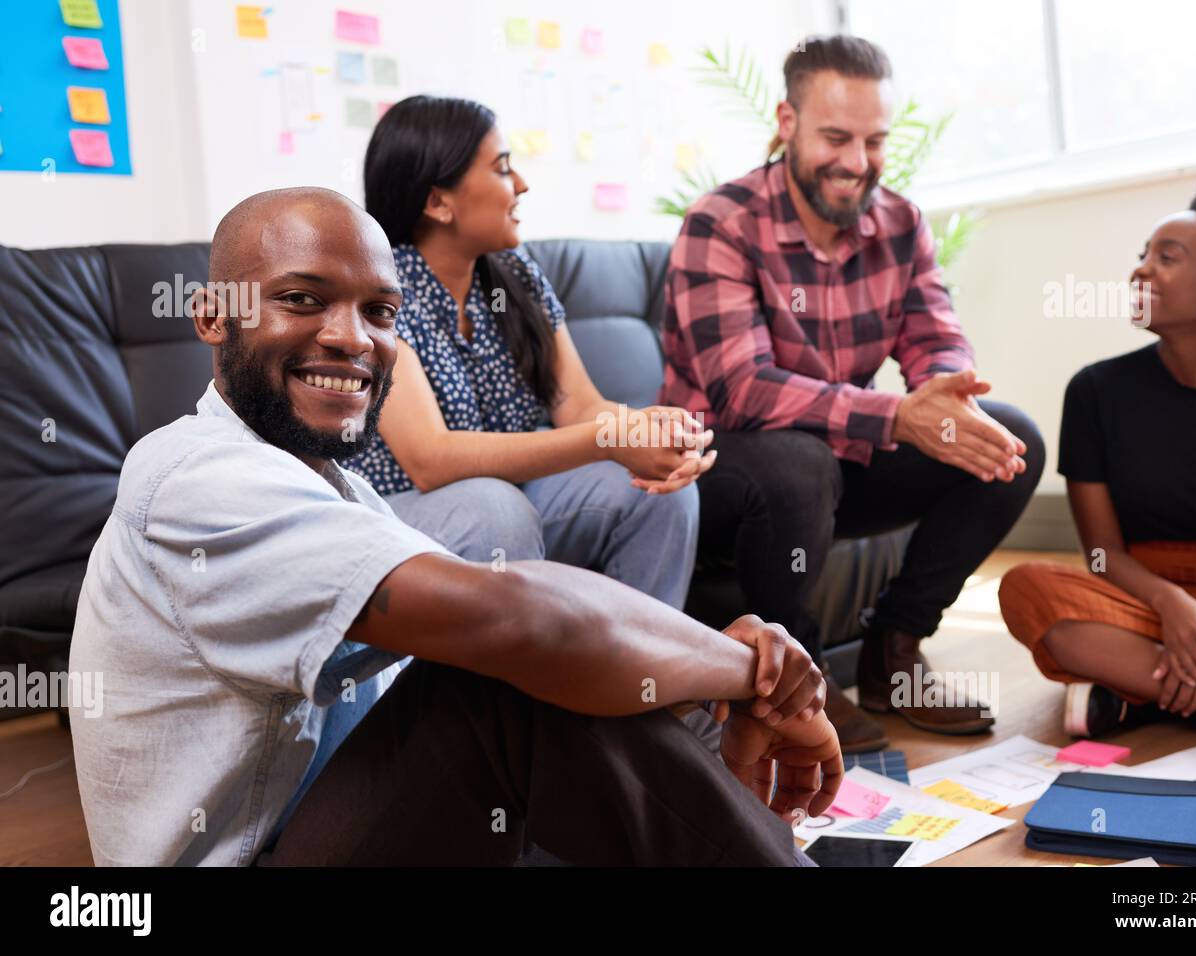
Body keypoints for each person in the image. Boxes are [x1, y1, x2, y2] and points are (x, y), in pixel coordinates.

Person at [67, 187, 841, 866]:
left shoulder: (342, 492)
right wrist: (751, 674)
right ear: (212, 318)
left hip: (339, 821)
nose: (352, 337)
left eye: (379, 311)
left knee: (516, 685)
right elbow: (524, 619)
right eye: (303, 299)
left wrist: (736, 680)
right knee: (498, 681)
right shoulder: (196, 478)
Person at [659, 34, 1044, 751]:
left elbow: (935, 339)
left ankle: (893, 649)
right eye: (836, 137)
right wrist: (899, 414)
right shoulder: (722, 222)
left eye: (875, 141)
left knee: (1008, 435)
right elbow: (744, 390)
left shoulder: (900, 223)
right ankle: (796, 677)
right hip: (721, 475)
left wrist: (946, 401)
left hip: (838, 462)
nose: (857, 163)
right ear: (786, 122)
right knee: (798, 461)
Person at [346, 96, 710, 610]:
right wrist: (607, 438)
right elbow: (428, 459)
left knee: (652, 492)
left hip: (512, 491)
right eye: (502, 168)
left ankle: (639, 684)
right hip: (404, 509)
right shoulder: (381, 289)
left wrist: (650, 431)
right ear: (438, 202)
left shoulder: (513, 273)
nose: (521, 184)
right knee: (499, 510)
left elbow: (580, 407)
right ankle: (517, 693)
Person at [999, 174, 1196, 740]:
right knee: (1026, 587)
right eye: (1143, 255)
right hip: (1137, 599)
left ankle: (1138, 690)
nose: (1141, 270)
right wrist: (1174, 607)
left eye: (1169, 256)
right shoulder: (1094, 391)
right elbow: (1101, 554)